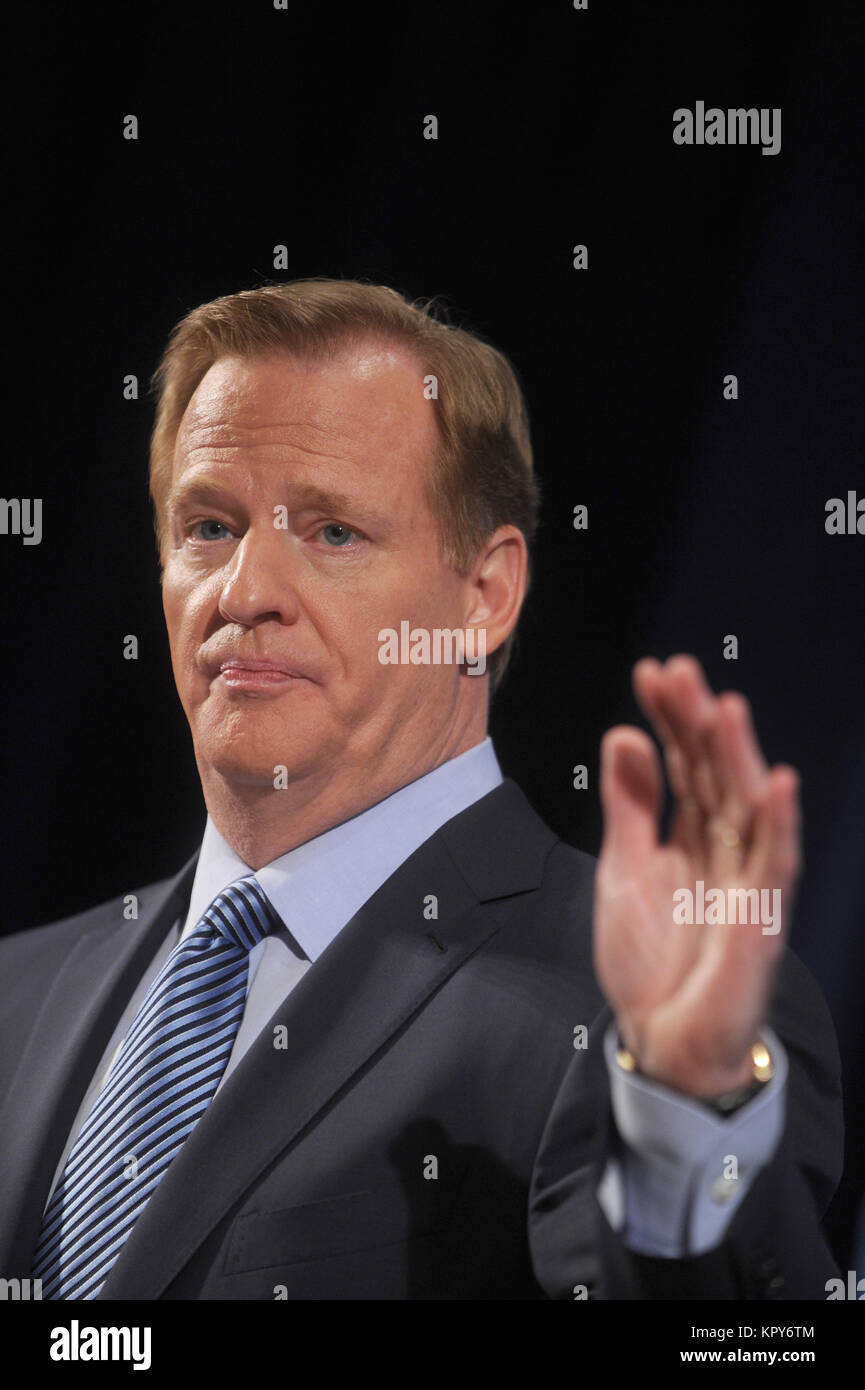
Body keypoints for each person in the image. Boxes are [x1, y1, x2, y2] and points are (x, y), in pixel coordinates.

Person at [0, 279, 843, 1300]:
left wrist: (681, 1115)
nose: (245, 591)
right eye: (209, 526)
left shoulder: (629, 1017)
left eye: (333, 532)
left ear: (484, 594)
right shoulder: (19, 992)